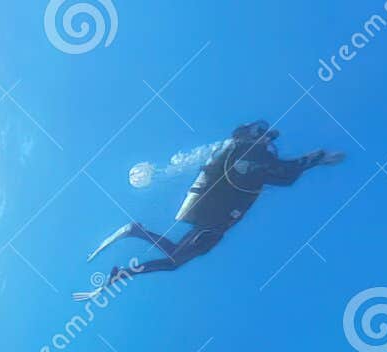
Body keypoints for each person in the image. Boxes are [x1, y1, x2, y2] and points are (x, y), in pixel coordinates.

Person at [76, 121, 345, 300]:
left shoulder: (243, 152)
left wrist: (314, 161)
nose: (267, 140)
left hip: (214, 219)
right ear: (250, 135)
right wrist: (316, 158)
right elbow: (283, 172)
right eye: (263, 134)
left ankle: (130, 244)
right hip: (215, 219)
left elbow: (281, 174)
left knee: (174, 260)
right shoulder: (247, 152)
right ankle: (132, 238)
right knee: (174, 262)